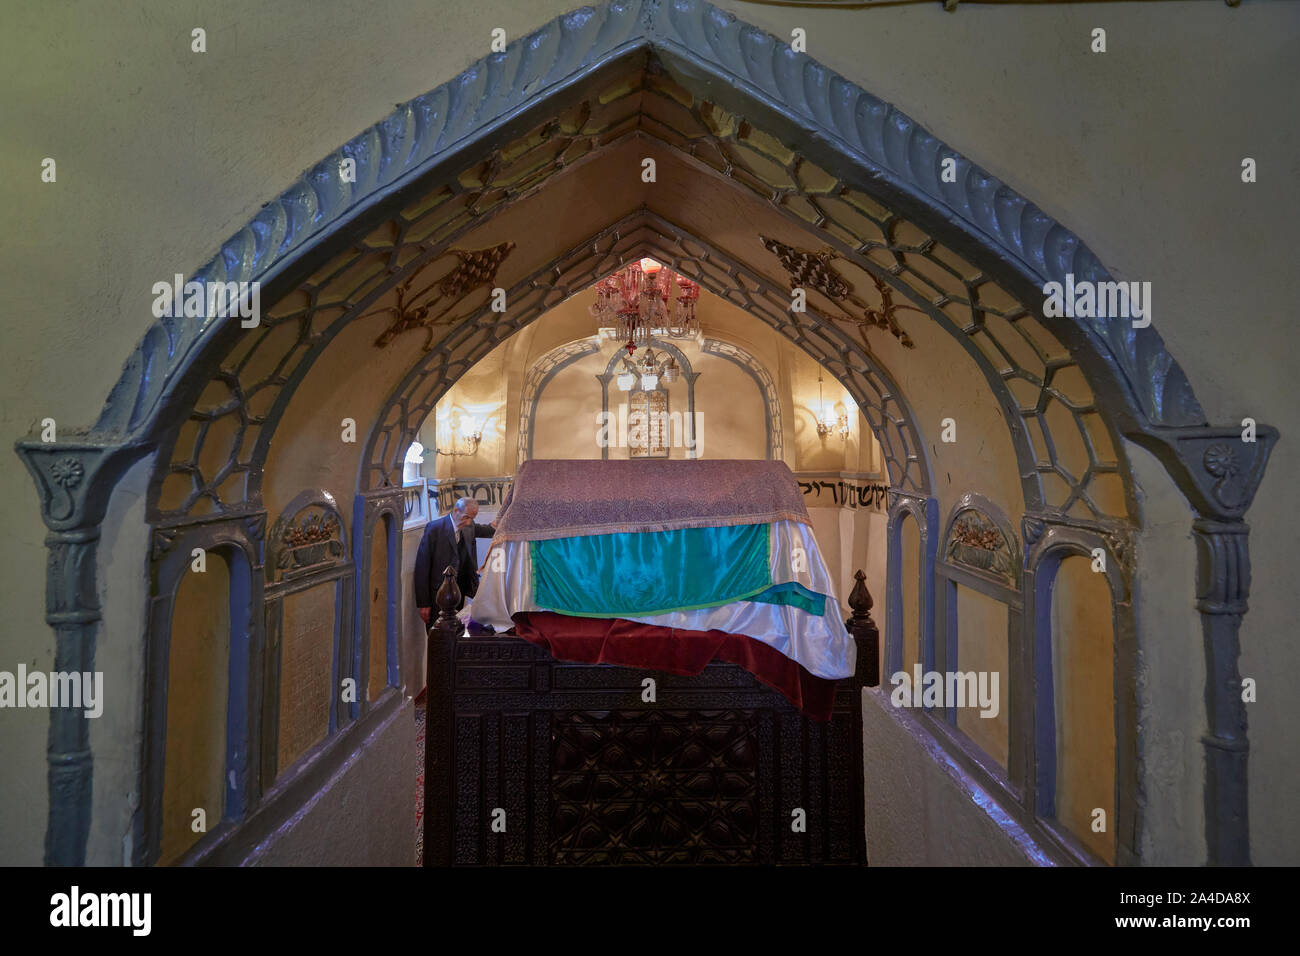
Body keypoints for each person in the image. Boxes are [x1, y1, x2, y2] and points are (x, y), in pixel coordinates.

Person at [414, 497, 496, 623]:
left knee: (455, 633)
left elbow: (489, 530)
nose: (469, 522)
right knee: (437, 636)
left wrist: (505, 518)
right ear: (456, 510)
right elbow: (422, 567)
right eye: (466, 517)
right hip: (437, 595)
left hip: (459, 593)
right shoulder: (434, 529)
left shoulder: (469, 526)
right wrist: (423, 603)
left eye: (472, 519)